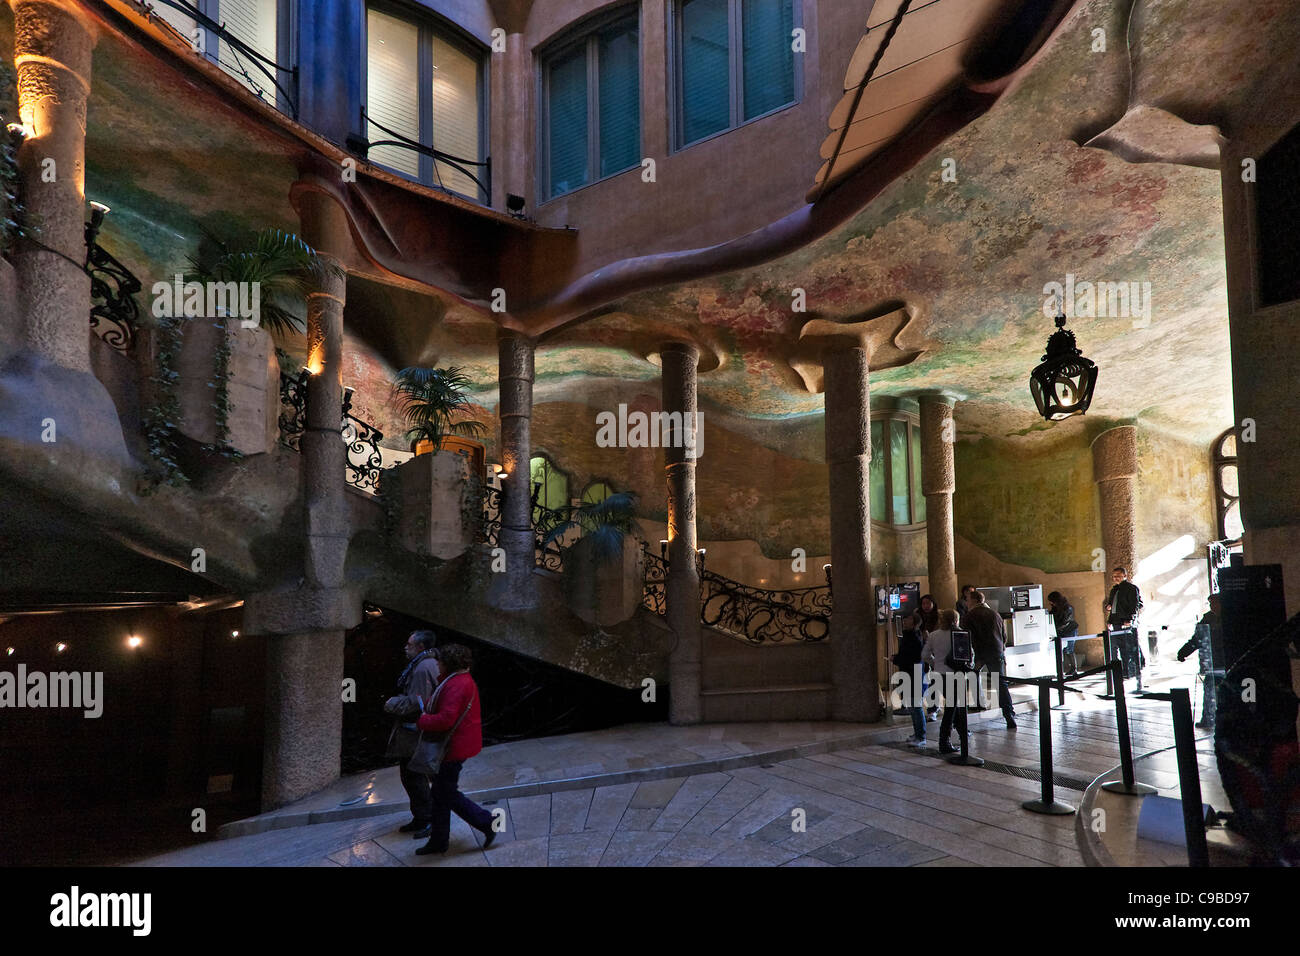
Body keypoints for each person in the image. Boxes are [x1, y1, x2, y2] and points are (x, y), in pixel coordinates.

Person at [414, 643, 497, 855]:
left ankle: (487, 822)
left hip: (452, 749)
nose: (437, 664)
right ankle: (439, 841)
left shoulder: (456, 685)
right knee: (442, 795)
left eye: (439, 661)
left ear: (448, 663)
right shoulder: (457, 681)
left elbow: (446, 719)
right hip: (456, 746)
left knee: (445, 793)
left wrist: (423, 720)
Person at [384, 631, 442, 838]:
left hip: (415, 731)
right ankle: (422, 818)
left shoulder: (422, 669)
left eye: (409, 644)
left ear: (420, 647)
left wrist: (392, 703)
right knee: (413, 776)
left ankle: (426, 819)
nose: (405, 647)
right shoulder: (426, 664)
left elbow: (417, 702)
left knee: (414, 776)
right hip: (418, 731)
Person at [965, 589, 1017, 728]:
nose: (967, 602)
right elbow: (1003, 635)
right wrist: (1002, 649)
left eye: (968, 600)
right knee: (1000, 683)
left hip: (979, 654)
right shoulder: (995, 614)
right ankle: (1009, 713)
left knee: (974, 676)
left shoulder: (970, 616)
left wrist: (972, 655)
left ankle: (979, 703)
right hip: (996, 652)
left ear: (975, 601)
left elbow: (968, 637)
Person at [1177, 593, 1224, 729]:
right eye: (1211, 604)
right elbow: (1197, 638)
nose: (1212, 606)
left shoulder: (1227, 617)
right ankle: (1208, 718)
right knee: (1209, 690)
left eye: (1215, 603)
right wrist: (1184, 652)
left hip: (1224, 661)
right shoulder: (1208, 618)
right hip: (1212, 661)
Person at [922, 608, 961, 753]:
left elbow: (925, 655)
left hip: (939, 673)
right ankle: (944, 741)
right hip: (955, 674)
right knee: (951, 708)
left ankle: (961, 731)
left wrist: (935, 663)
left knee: (952, 706)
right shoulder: (959, 633)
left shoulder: (933, 635)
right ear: (956, 620)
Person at [892, 611, 927, 747]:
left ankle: (921, 735)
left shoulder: (914, 637)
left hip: (914, 674)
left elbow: (913, 657)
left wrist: (896, 659)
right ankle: (916, 733)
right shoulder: (909, 636)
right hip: (909, 673)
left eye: (908, 619)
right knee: (913, 706)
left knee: (916, 706)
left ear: (914, 623)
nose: (904, 621)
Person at [1104, 566, 1145, 680]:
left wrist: (1130, 619)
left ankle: (1132, 670)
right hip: (1116, 622)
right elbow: (1112, 606)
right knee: (1120, 647)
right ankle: (1123, 671)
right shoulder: (1114, 590)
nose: (1115, 578)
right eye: (1114, 576)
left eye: (1118, 576)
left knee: (1128, 647)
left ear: (1125, 576)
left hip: (1126, 622)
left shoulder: (1131, 588)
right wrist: (1109, 620)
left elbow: (1135, 604)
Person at [917, 594, 941, 721]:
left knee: (934, 681)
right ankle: (932, 706)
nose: (925, 606)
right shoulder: (917, 617)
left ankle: (933, 708)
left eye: (928, 603)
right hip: (923, 653)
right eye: (923, 603)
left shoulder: (939, 617)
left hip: (936, 653)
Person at [1047, 591, 1079, 675]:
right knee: (1062, 649)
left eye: (1051, 601)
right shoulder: (1056, 607)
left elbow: (1065, 621)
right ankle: (1062, 669)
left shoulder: (1068, 608)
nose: (1050, 603)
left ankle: (1074, 668)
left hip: (1070, 630)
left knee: (1069, 649)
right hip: (1061, 630)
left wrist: (1056, 628)